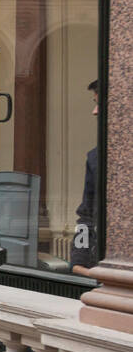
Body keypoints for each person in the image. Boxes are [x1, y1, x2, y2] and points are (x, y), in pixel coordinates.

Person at [71, 80, 102, 270]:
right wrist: (79, 258)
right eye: (95, 103)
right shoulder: (95, 158)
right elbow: (85, 216)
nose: (95, 111)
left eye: (101, 103)